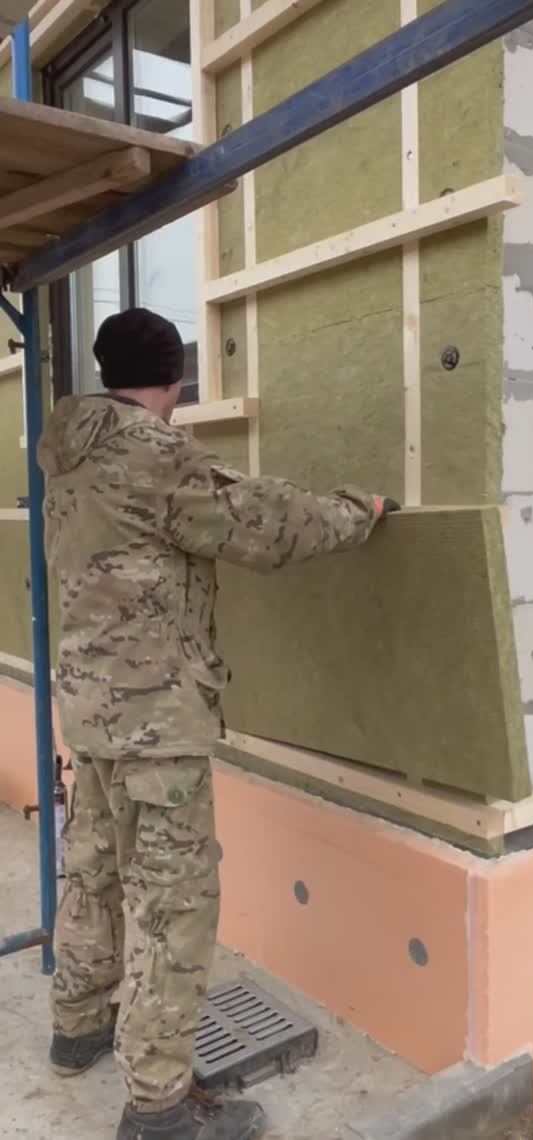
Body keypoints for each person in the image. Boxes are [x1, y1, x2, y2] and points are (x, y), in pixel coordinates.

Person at [37, 307, 400, 1140]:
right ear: (174, 380)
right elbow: (263, 524)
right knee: (174, 908)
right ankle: (158, 1107)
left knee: (93, 874)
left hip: (89, 712)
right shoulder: (153, 453)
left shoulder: (70, 450)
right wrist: (361, 510)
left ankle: (78, 1026)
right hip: (155, 723)